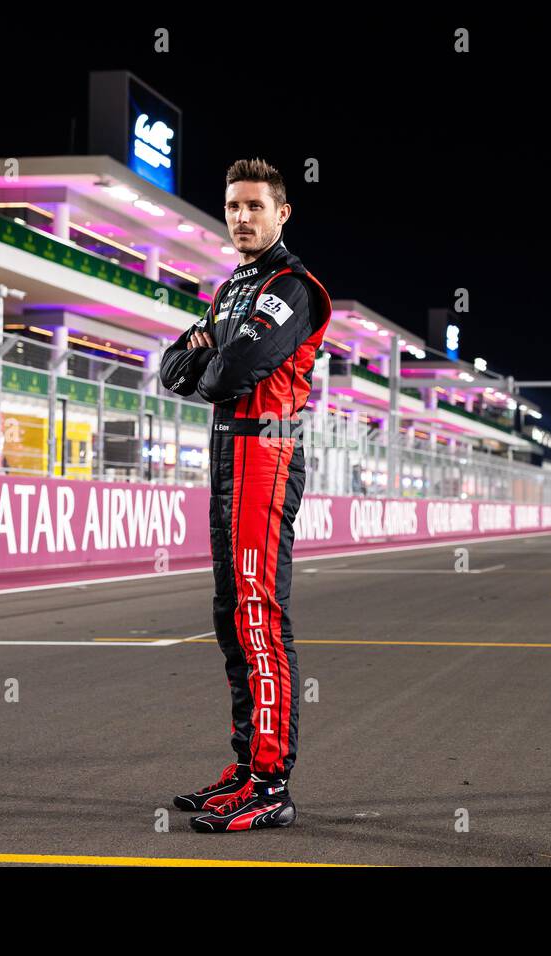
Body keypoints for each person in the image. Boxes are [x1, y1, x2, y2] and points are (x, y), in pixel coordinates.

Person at [159, 158, 332, 833]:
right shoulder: (234, 287)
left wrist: (208, 358)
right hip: (227, 449)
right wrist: (205, 358)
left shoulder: (293, 286)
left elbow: (224, 370)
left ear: (282, 212)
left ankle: (272, 782)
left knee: (259, 612)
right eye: (232, 205)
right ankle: (246, 764)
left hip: (267, 451)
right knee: (230, 612)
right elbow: (174, 369)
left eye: (255, 206)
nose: (241, 217)